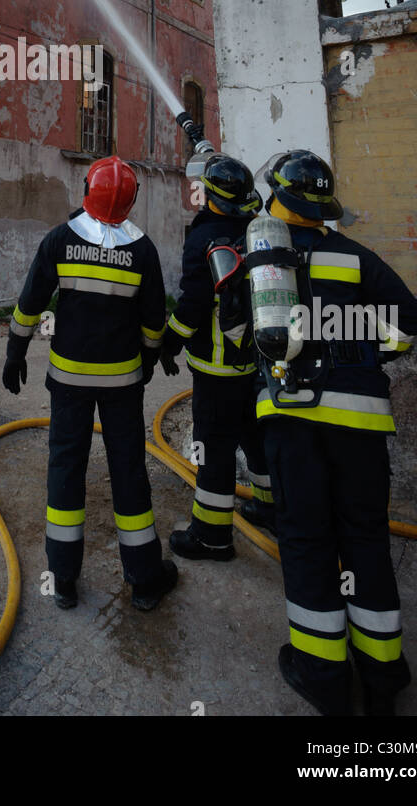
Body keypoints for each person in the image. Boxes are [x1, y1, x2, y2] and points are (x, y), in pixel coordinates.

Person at [254, 149, 417, 718]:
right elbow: (409, 322)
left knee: (305, 540)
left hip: (290, 418)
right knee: (365, 539)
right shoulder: (355, 257)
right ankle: (382, 678)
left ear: (278, 197)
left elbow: (237, 333)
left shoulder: (259, 265)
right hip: (359, 422)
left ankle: (323, 676)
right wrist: (362, 349)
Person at [2, 155, 177, 612]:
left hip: (68, 381)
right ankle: (142, 580)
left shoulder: (60, 240)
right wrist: (150, 360)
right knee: (129, 472)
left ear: (86, 189)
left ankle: (63, 579)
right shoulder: (143, 250)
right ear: (132, 200)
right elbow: (154, 322)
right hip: (123, 384)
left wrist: (14, 352)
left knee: (65, 469)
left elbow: (29, 303)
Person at [163, 153, 273, 562]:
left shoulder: (202, 238)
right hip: (255, 360)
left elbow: (192, 307)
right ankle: (268, 506)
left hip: (216, 365)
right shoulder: (256, 231)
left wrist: (168, 344)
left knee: (212, 446)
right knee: (252, 433)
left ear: (211, 197)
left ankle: (211, 536)